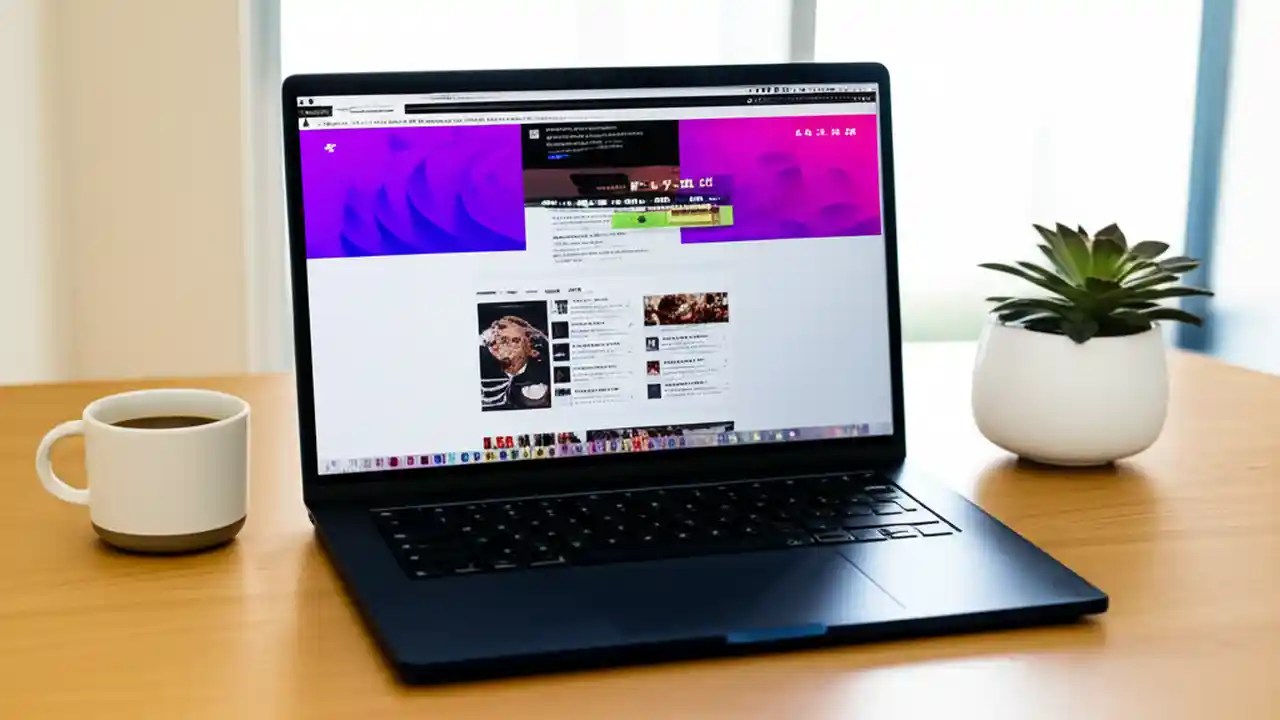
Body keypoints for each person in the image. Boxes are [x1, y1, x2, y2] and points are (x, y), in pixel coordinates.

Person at [479, 315, 552, 411]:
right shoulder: (482, 367)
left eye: (506, 341)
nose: (496, 347)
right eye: (492, 341)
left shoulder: (539, 386)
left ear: (532, 349)